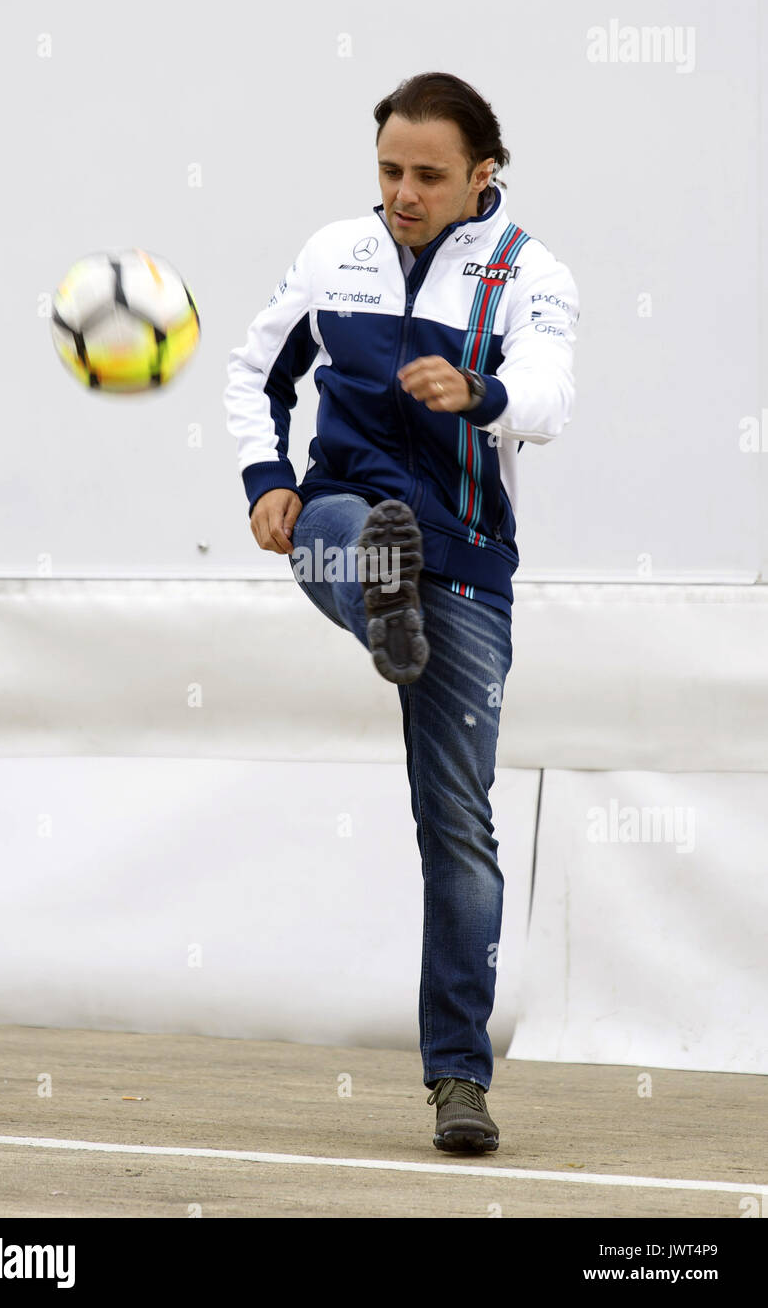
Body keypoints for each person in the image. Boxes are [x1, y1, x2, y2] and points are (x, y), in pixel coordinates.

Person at [224, 71, 579, 1154]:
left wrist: (481, 394)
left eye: (428, 175)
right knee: (336, 529)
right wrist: (262, 479)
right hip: (345, 504)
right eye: (389, 170)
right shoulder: (335, 254)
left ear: (483, 174)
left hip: (468, 568)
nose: (403, 193)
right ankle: (375, 586)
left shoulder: (531, 274)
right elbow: (255, 369)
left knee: (457, 830)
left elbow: (553, 394)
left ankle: (459, 1082)